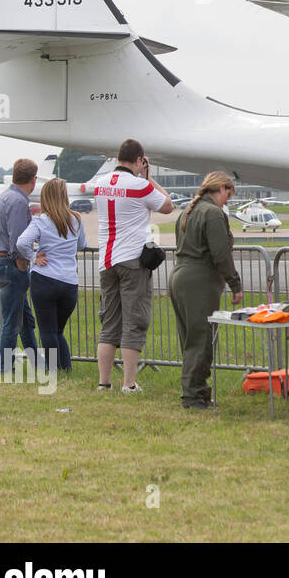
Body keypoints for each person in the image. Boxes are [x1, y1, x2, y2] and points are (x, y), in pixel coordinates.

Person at [95, 139, 174, 394]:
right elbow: (167, 205)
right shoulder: (140, 186)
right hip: (132, 260)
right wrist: (149, 178)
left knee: (109, 324)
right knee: (134, 321)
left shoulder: (101, 184)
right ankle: (129, 383)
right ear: (139, 161)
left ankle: (103, 382)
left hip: (106, 260)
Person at [168, 172, 243, 410]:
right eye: (227, 195)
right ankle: (193, 396)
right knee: (201, 341)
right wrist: (235, 285)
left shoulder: (188, 211)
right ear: (221, 187)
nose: (227, 201)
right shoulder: (212, 213)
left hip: (180, 276)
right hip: (199, 281)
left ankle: (196, 392)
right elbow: (221, 254)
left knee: (191, 340)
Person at [14, 178, 86, 373]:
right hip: (69, 281)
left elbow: (22, 242)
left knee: (47, 330)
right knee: (58, 329)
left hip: (44, 278)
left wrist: (33, 256)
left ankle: (53, 369)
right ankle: (66, 367)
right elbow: (81, 245)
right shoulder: (76, 219)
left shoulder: (41, 221)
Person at [0, 158, 40, 373]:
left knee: (25, 319)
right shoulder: (19, 202)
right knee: (11, 322)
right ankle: (5, 368)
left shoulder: (3, 196)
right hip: (12, 265)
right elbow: (19, 241)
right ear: (33, 179)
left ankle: (38, 364)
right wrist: (23, 264)